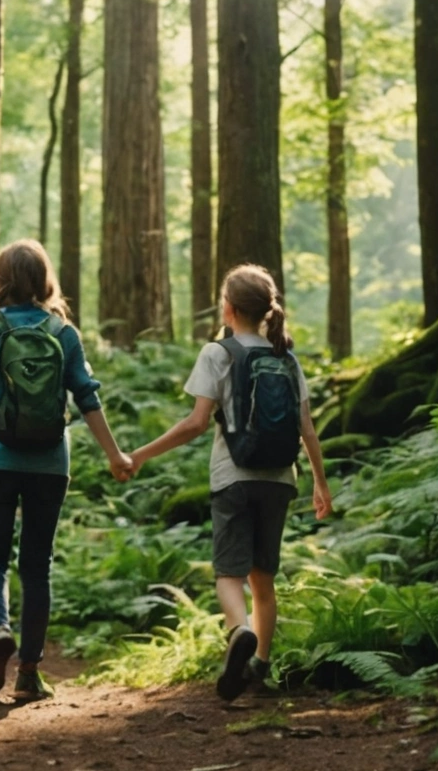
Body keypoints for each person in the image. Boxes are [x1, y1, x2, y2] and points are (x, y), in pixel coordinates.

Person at [0, 241, 134, 701]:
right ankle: (29, 673)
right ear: (44, 280)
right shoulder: (63, 333)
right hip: (51, 462)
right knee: (38, 565)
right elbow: (88, 398)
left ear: (0, 280)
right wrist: (115, 455)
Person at [128, 264, 333, 701]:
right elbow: (306, 428)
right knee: (264, 578)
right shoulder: (286, 357)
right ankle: (260, 665)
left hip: (233, 477)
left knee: (228, 573)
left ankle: (239, 631)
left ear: (229, 308)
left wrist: (141, 454)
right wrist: (320, 483)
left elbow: (196, 423)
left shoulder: (217, 353)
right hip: (280, 479)